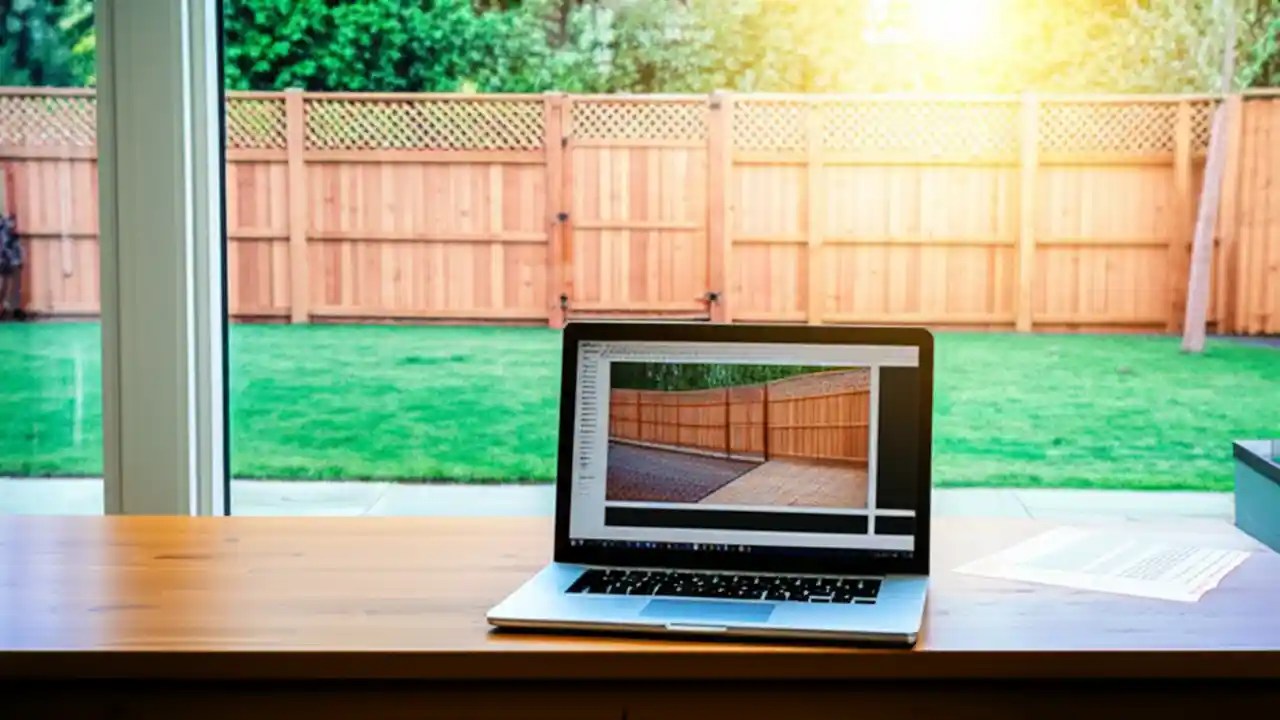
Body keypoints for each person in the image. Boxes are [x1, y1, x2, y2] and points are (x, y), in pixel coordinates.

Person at [0, 214, 25, 321]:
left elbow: (14, 243)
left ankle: (13, 308)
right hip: (6, 258)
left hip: (10, 258)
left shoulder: (6, 225)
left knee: (13, 285)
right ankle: (6, 308)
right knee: (4, 285)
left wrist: (18, 258)